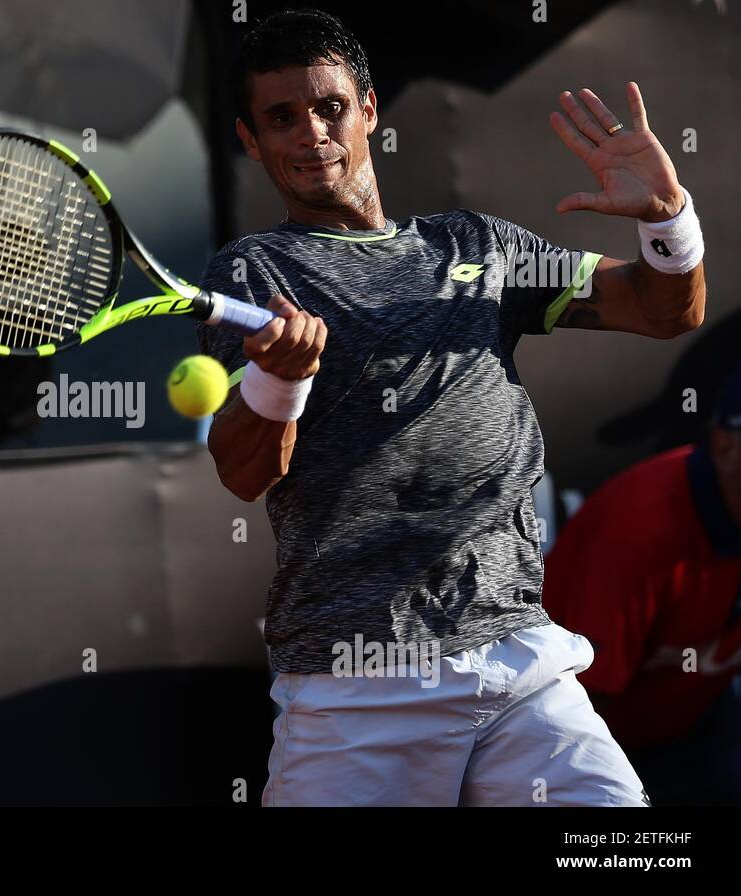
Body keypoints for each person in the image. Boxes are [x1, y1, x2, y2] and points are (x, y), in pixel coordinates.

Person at [197, 9, 707, 806]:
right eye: (281, 118)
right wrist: (278, 382)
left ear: (368, 110)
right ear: (251, 141)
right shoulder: (254, 272)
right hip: (355, 686)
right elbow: (243, 470)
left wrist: (667, 222)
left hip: (521, 666)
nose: (311, 134)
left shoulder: (479, 246)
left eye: (329, 106)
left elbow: (660, 310)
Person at [544, 361, 741, 805]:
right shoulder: (637, 534)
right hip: (613, 746)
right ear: (727, 448)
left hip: (701, 715)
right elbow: (568, 719)